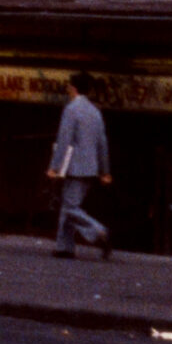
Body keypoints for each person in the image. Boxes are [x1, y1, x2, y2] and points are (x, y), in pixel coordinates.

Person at [47, 71, 112, 259]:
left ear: (73, 87)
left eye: (69, 85)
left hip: (74, 166)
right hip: (91, 168)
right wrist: (104, 170)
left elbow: (64, 139)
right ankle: (64, 247)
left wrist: (54, 166)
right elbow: (102, 143)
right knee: (69, 203)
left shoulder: (71, 109)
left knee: (70, 207)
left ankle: (99, 231)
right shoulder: (95, 112)